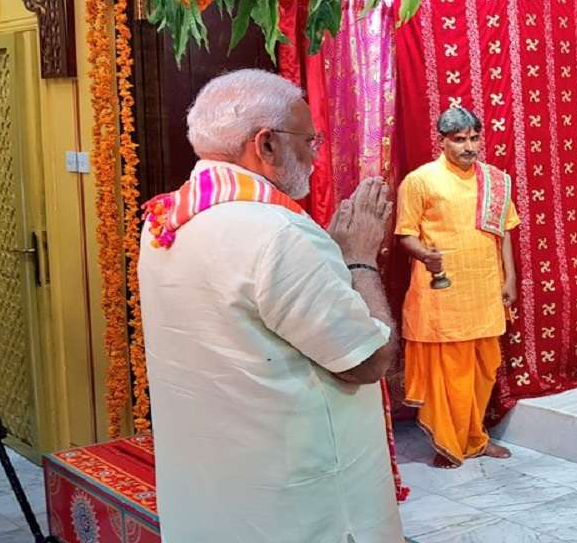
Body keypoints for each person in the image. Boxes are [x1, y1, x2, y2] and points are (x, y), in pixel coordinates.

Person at [138, 70, 403, 543]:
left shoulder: (166, 220)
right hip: (297, 506)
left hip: (212, 486)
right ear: (266, 144)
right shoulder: (277, 234)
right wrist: (359, 258)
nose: (315, 157)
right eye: (309, 141)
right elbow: (367, 360)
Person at [395, 106, 519, 468]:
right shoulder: (421, 180)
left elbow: (504, 234)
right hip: (442, 292)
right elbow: (405, 234)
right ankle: (448, 442)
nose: (469, 147)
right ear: (443, 141)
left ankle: (475, 438)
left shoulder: (494, 180)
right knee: (450, 371)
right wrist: (426, 256)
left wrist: (509, 278)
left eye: (474, 138)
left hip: (484, 288)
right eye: (460, 140)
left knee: (483, 368)